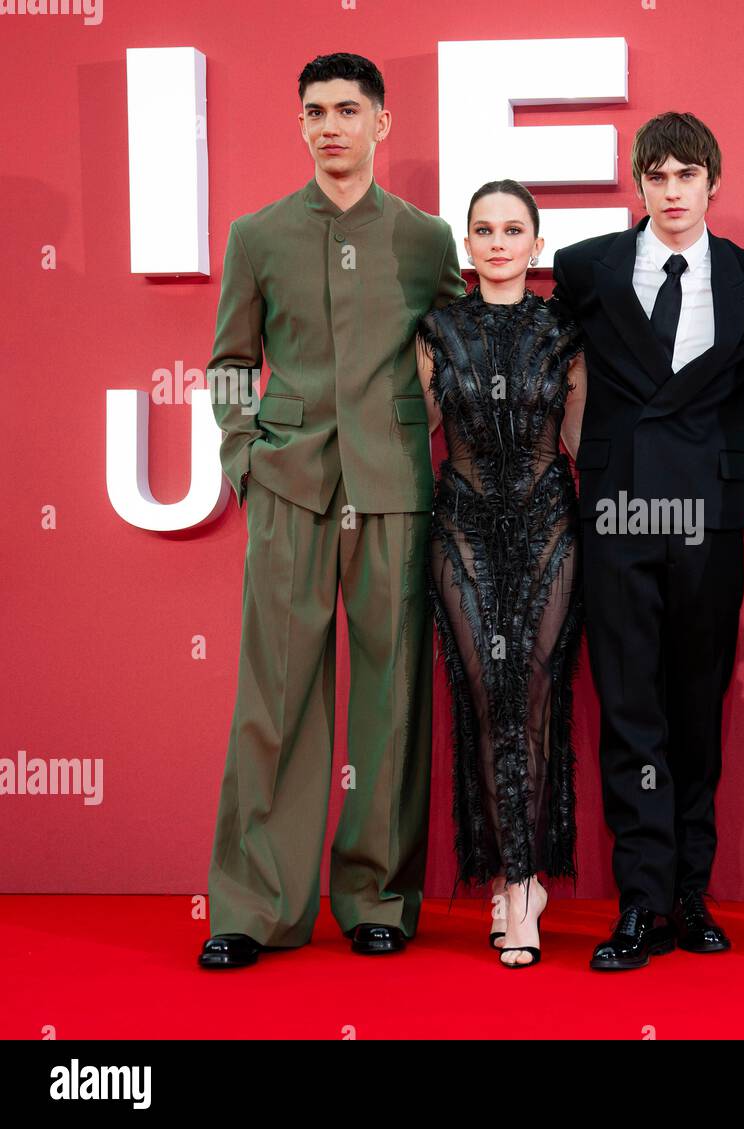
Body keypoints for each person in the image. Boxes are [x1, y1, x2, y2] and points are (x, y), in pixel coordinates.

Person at [199, 53, 464, 969]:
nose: (329, 126)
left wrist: (426, 428)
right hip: (289, 486)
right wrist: (244, 459)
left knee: (391, 700)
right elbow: (230, 361)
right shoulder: (257, 234)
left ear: (381, 124)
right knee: (271, 700)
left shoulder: (428, 240)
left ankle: (377, 895)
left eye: (347, 110)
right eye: (314, 111)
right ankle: (252, 906)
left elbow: (459, 348)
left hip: (394, 486)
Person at [548, 112, 744, 970]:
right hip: (615, 514)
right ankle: (640, 903)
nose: (673, 189)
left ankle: (691, 892)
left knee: (697, 703)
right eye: (658, 174)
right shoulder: (584, 269)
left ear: (713, 182)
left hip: (710, 518)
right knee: (630, 709)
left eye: (689, 173)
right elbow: (552, 370)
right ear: (638, 183)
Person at [415, 180, 586, 969]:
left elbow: (583, 443)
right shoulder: (438, 330)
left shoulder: (564, 330)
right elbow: (411, 442)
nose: (497, 241)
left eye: (512, 229)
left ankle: (523, 885)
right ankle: (512, 879)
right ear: (467, 245)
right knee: (487, 696)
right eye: (483, 229)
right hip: (464, 530)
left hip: (550, 527)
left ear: (536, 243)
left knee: (535, 698)